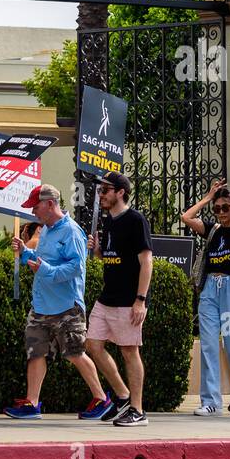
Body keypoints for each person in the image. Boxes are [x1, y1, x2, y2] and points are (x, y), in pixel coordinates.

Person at [5, 183, 112, 420]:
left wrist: (45, 270)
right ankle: (32, 403)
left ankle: (102, 399)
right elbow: (42, 261)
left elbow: (76, 267)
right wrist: (25, 253)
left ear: (50, 204)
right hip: (42, 304)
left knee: (74, 352)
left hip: (67, 306)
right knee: (35, 353)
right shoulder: (47, 230)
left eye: (35, 207)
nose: (33, 212)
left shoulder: (72, 232)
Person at [181, 180, 230, 416]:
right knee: (209, 346)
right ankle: (210, 401)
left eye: (226, 207)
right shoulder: (213, 230)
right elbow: (186, 217)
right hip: (210, 290)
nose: (221, 212)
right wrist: (207, 197)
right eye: (217, 209)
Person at [85, 173, 153, 428]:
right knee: (92, 345)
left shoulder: (135, 220)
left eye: (106, 190)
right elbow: (112, 256)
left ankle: (138, 409)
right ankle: (123, 396)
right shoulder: (108, 221)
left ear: (121, 192)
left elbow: (146, 261)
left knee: (129, 351)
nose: (101, 194)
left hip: (127, 299)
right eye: (101, 190)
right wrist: (98, 250)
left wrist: (140, 300)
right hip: (107, 297)